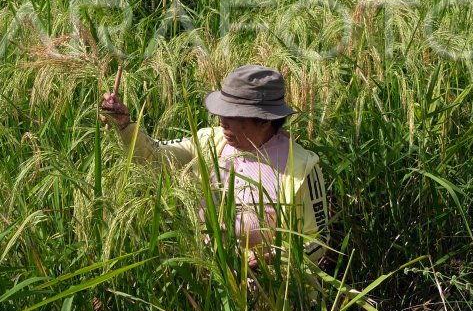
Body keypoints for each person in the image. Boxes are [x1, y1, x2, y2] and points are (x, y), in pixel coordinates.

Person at [100, 64, 331, 268]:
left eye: (233, 115)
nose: (222, 121)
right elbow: (156, 156)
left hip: (269, 299)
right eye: (221, 112)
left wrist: (274, 258)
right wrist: (125, 127)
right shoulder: (211, 142)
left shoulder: (300, 169)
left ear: (263, 120)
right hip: (206, 285)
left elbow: (318, 241)